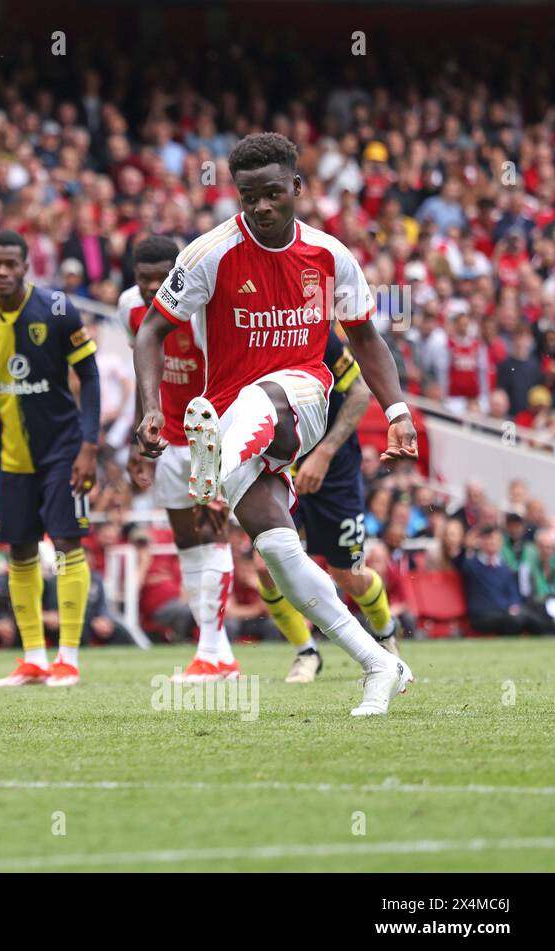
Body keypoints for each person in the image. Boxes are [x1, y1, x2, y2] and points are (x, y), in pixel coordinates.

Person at [134, 132, 415, 716]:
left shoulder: (331, 256)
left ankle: (212, 470)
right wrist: (152, 407)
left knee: (269, 395)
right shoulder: (208, 253)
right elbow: (150, 330)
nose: (260, 206)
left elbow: (364, 336)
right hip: (230, 413)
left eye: (272, 193)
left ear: (297, 188)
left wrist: (397, 412)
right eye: (248, 196)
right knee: (282, 559)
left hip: (302, 394)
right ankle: (379, 664)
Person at [0, 229, 101, 687]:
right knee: (19, 548)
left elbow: (89, 377)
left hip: (64, 450)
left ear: (24, 266)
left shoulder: (57, 309)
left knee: (67, 542)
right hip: (13, 455)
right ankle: (34, 658)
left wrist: (89, 447)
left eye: (9, 264)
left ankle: (68, 659)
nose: (1, 272)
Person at [124, 235, 239, 680]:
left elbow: (223, 381)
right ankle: (216, 652)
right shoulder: (128, 308)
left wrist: (215, 466)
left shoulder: (202, 311)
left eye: (162, 277)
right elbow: (143, 372)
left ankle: (215, 649)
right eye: (144, 279)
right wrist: (141, 436)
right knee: (188, 542)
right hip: (167, 441)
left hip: (209, 436)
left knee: (215, 533)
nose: (154, 287)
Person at [261, 328, 403, 683]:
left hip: (333, 470)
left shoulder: (317, 332)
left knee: (349, 577)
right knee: (265, 567)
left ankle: (386, 636)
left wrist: (323, 453)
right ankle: (306, 653)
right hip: (275, 463)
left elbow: (358, 394)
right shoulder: (250, 330)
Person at [457, 526, 555, 635]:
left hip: (504, 611)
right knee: (516, 619)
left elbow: (513, 592)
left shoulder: (504, 567)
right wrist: (466, 548)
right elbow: (458, 562)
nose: (492, 543)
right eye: (489, 539)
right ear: (482, 542)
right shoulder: (472, 565)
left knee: (531, 617)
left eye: (495, 540)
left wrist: (514, 605)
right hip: (482, 614)